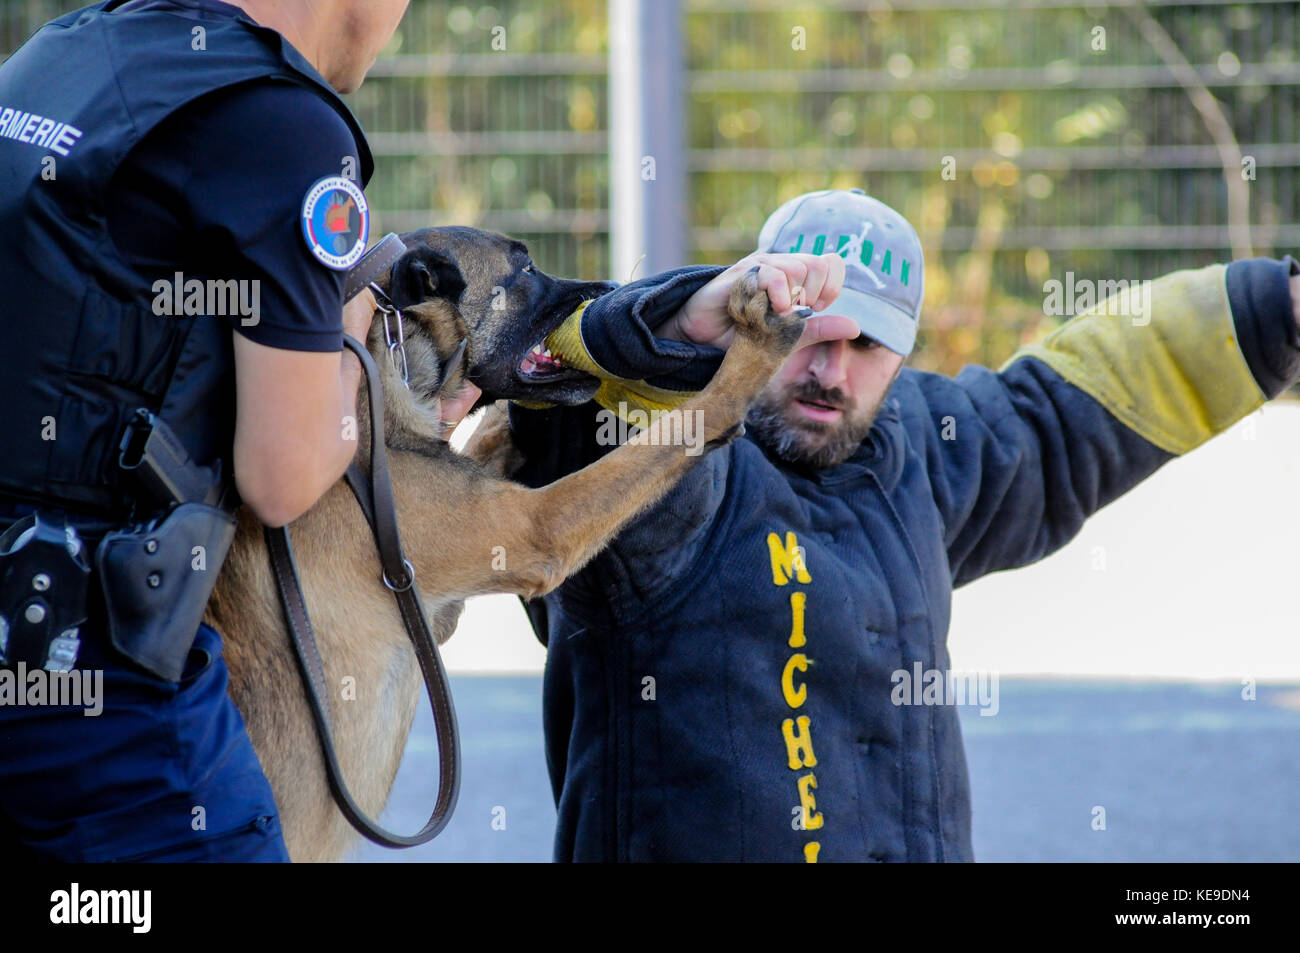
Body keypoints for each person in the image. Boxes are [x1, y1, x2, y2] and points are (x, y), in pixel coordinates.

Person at [505, 187, 1300, 862]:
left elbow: (1063, 412)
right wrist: (676, 330)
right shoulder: (664, 455)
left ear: (903, 352)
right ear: (753, 316)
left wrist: (1276, 312)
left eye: (868, 345)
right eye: (811, 333)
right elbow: (572, 387)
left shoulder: (919, 444)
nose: (831, 371)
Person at [0, 0, 427, 861]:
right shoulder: (285, 122)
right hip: (98, 707)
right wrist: (357, 361)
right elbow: (285, 473)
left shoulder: (62, 52)